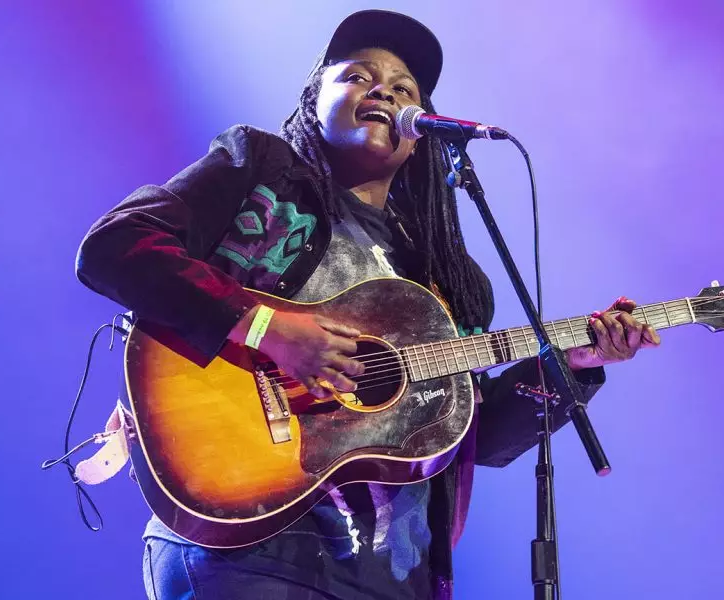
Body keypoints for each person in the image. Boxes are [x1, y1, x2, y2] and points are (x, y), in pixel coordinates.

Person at [76, 10, 658, 600]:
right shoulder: (259, 170)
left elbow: (475, 435)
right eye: (358, 76)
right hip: (248, 552)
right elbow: (115, 246)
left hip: (393, 578)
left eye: (404, 89)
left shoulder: (451, 280)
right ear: (314, 99)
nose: (384, 89)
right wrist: (268, 329)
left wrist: (575, 366)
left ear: (421, 136)